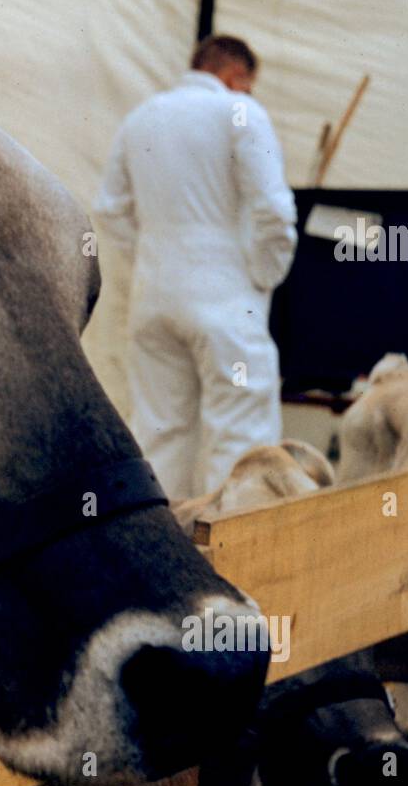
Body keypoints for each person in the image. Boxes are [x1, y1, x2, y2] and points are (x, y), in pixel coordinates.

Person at [95, 35, 298, 500]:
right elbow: (273, 210)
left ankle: (160, 557)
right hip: (226, 301)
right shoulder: (240, 113)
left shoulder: (140, 119)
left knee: (162, 431)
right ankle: (233, 556)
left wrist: (150, 256)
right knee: (240, 435)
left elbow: (109, 210)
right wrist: (262, 275)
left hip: (154, 302)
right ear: (236, 77)